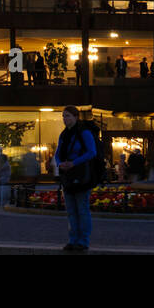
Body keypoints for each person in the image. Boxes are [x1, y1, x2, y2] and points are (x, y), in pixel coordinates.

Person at [54, 106, 99, 252]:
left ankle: (83, 240)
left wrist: (73, 163)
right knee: (72, 211)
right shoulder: (64, 134)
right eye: (63, 116)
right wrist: (61, 163)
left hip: (81, 174)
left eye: (67, 116)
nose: (64, 119)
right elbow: (57, 153)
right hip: (68, 174)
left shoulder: (84, 132)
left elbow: (92, 152)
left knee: (82, 209)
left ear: (75, 117)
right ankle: (73, 240)